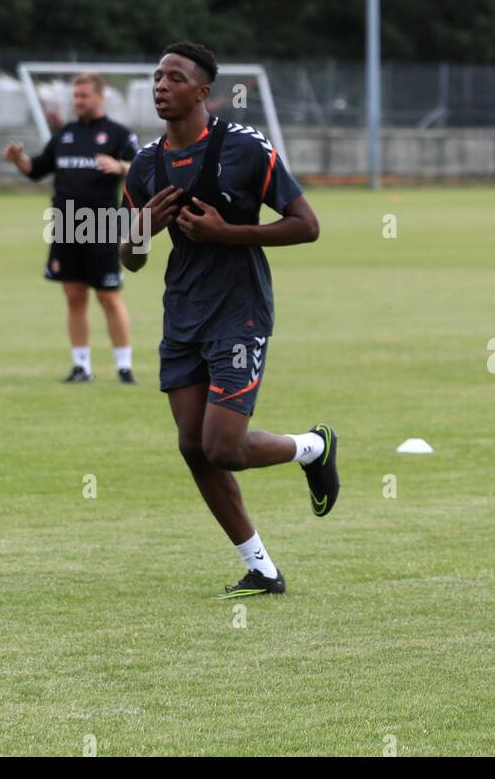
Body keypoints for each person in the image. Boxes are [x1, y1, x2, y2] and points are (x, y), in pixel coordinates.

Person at [119, 41, 338, 598]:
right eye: (157, 77)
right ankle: (261, 567)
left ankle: (311, 447)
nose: (161, 86)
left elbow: (306, 224)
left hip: (239, 313)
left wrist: (229, 233)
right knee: (193, 447)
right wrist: (141, 226)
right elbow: (130, 258)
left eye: (174, 77)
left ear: (202, 91)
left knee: (223, 446)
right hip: (182, 315)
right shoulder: (146, 164)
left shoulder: (244, 148)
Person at [5, 72, 139, 382]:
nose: (78, 102)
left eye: (83, 96)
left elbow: (146, 169)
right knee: (74, 295)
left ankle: (124, 367)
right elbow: (35, 170)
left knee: (108, 295)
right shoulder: (65, 135)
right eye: (75, 97)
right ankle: (81, 367)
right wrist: (18, 158)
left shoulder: (119, 135)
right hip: (65, 226)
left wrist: (120, 166)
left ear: (100, 97)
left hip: (103, 226)